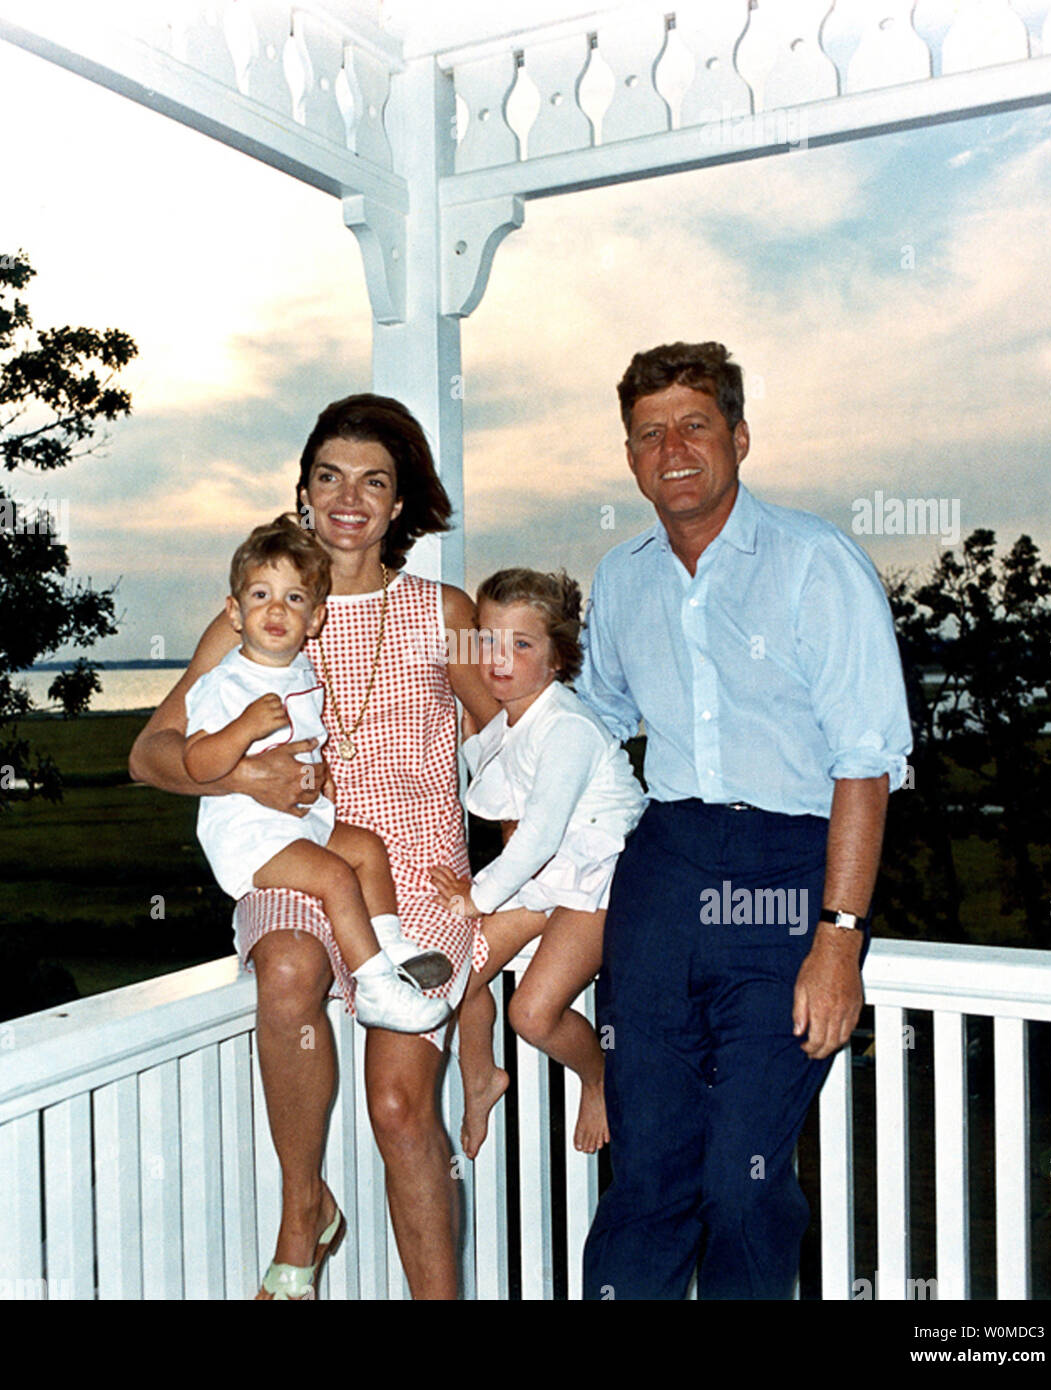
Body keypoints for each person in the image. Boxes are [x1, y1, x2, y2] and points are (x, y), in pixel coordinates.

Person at [128, 395, 496, 1301]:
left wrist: (518, 881)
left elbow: (512, 744)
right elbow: (147, 756)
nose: (348, 497)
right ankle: (303, 1214)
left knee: (402, 1109)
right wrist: (241, 780)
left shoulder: (445, 609)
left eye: (374, 480)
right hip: (300, 849)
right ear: (302, 491)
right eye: (328, 476)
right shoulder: (259, 610)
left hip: (414, 869)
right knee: (287, 964)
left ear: (401, 502)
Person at [578, 341, 912, 1300]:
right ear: (631, 457)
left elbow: (865, 762)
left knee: (741, 1178)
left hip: (785, 875)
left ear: (739, 437)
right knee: (643, 1170)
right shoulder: (624, 574)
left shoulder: (814, 562)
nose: (671, 447)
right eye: (648, 433)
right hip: (662, 871)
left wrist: (838, 941)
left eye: (693, 424)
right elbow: (595, 728)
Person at [183, 514, 451, 1035]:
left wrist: (318, 771)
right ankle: (376, 990)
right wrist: (240, 730)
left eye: (294, 599)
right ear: (234, 613)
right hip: (250, 836)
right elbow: (198, 764)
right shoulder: (226, 682)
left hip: (298, 821)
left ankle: (391, 947)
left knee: (367, 849)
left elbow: (299, 743)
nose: (276, 610)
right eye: (260, 596)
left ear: (315, 619)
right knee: (334, 876)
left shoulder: (300, 670)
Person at [430, 568, 645, 1158]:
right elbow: (500, 794)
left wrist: (476, 896)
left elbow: (540, 835)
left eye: (522, 645)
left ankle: (597, 1075)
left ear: (558, 660)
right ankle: (484, 1076)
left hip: (598, 879)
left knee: (531, 1012)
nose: (501, 658)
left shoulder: (568, 726)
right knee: (457, 973)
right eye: (490, 641)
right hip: (547, 882)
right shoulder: (511, 720)